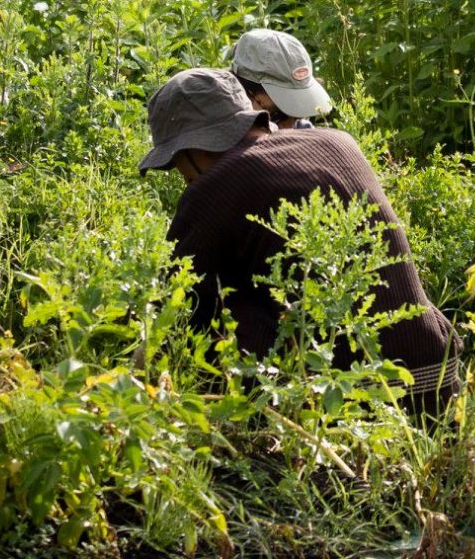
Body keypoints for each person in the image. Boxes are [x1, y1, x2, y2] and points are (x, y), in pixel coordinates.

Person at [140, 67, 457, 413]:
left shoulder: (215, 186)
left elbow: (173, 310)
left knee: (218, 305)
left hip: (347, 401)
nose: (183, 177)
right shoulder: (337, 141)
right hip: (437, 375)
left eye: (176, 163)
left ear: (192, 148)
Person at [229, 27, 332, 129]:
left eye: (298, 114)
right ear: (242, 93)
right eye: (278, 116)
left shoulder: (302, 127)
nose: (290, 127)